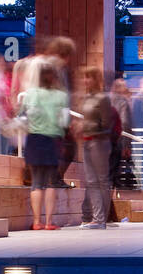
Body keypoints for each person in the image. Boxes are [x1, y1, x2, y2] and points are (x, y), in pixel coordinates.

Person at [18, 59, 69, 230]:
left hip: (34, 139)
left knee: (36, 183)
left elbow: (23, 117)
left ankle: (36, 221)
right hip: (53, 141)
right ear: (54, 77)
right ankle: (48, 222)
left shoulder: (30, 94)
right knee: (51, 183)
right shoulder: (62, 96)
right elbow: (65, 120)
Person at [75, 66, 117, 229]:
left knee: (102, 180)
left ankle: (101, 219)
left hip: (99, 142)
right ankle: (96, 218)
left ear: (96, 79)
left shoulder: (102, 98)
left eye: (89, 77)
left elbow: (107, 125)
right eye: (84, 77)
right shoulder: (87, 98)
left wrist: (87, 126)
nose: (85, 80)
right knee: (91, 181)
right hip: (87, 141)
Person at [41, 37, 78, 186]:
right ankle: (53, 177)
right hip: (53, 116)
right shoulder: (54, 68)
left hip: (55, 115)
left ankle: (55, 177)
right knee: (65, 147)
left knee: (66, 147)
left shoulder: (59, 69)